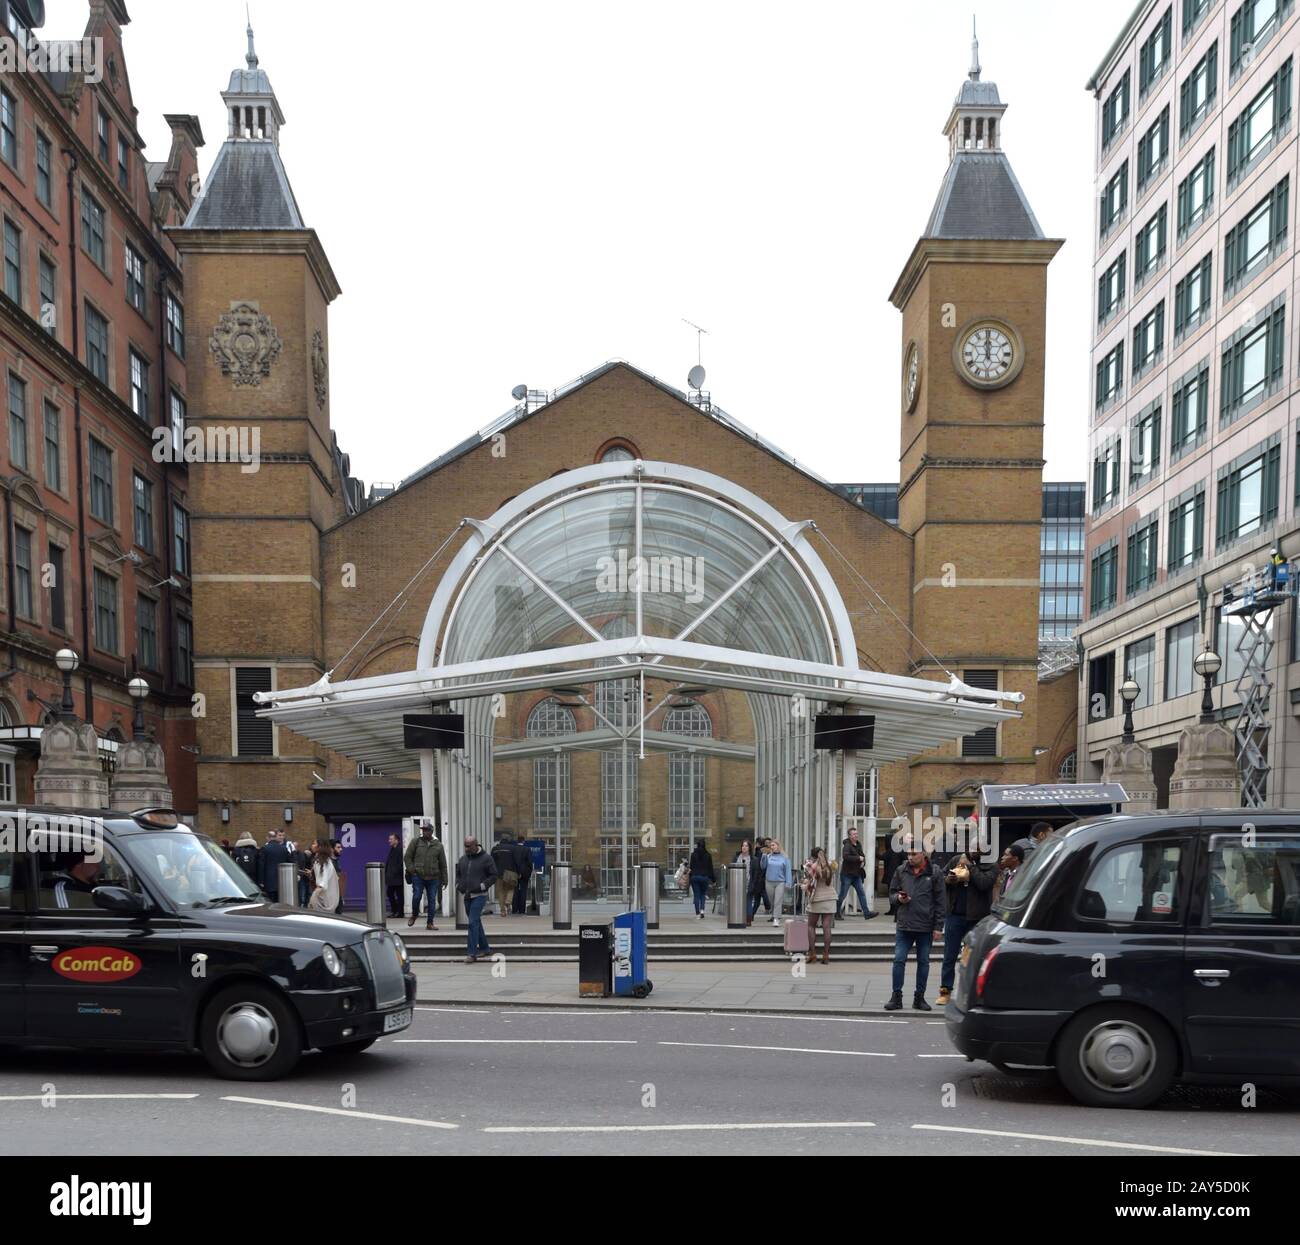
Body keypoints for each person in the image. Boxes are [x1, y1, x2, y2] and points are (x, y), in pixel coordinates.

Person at [936, 834, 997, 1006]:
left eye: (978, 849)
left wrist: (970, 870)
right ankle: (945, 991)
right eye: (971, 848)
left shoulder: (990, 865)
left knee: (973, 956)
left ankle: (970, 992)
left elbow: (985, 884)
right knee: (949, 954)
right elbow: (940, 878)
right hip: (955, 915)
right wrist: (949, 879)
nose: (973, 852)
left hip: (977, 918)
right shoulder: (957, 859)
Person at [885, 846, 945, 1011]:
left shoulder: (935, 872)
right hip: (905, 925)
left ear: (923, 854)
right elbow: (891, 894)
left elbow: (941, 901)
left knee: (924, 962)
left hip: (925, 926)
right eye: (908, 854)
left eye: (914, 854)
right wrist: (898, 898)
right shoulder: (901, 870)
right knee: (899, 960)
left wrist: (939, 926)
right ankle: (896, 997)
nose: (910, 857)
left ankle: (919, 998)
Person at [456, 835, 498, 963]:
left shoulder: (486, 858)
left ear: (476, 845)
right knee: (476, 923)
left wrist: (483, 885)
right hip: (467, 895)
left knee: (472, 922)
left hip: (480, 896)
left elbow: (494, 875)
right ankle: (485, 948)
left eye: (469, 846)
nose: (466, 849)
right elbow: (458, 874)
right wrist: (458, 885)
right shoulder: (463, 859)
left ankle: (471, 953)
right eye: (465, 846)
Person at [404, 821, 448, 929]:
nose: (424, 832)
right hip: (418, 876)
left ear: (431, 831)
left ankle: (430, 923)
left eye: (426, 830)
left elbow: (443, 864)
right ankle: (414, 915)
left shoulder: (438, 846)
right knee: (417, 896)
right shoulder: (416, 842)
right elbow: (407, 857)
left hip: (433, 878)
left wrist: (445, 879)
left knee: (432, 900)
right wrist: (412, 870)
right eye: (423, 830)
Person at [803, 846, 837, 964]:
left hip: (817, 898)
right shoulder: (831, 865)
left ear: (813, 856)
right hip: (831, 897)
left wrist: (805, 887)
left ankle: (812, 954)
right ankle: (826, 955)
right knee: (826, 927)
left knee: (811, 926)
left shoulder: (811, 866)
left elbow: (809, 882)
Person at [835, 827, 876, 920]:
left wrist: (863, 862)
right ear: (849, 836)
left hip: (856, 874)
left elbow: (862, 856)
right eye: (854, 834)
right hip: (847, 875)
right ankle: (836, 913)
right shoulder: (847, 846)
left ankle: (867, 913)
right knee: (842, 895)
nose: (856, 835)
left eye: (856, 834)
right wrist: (858, 858)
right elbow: (845, 857)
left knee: (861, 893)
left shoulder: (858, 844)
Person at [763, 839, 793, 925]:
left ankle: (776, 918)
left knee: (778, 901)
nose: (772, 847)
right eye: (771, 845)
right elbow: (763, 866)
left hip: (780, 882)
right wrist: (764, 856)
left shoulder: (785, 858)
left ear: (778, 846)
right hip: (769, 881)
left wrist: (788, 883)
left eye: (773, 845)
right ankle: (774, 914)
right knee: (772, 900)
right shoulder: (768, 856)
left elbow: (788, 871)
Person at [491, 833, 519, 917]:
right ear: (509, 840)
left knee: (500, 891)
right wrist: (518, 872)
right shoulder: (513, 848)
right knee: (510, 888)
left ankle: (502, 911)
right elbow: (516, 861)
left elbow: (491, 861)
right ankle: (508, 901)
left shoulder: (495, 849)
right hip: (510, 872)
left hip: (498, 873)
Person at [307, 841, 340, 912]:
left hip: (323, 900)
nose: (312, 845)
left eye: (314, 843)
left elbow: (323, 883)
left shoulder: (322, 862)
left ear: (320, 847)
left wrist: (313, 898)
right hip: (328, 898)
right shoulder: (325, 860)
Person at [688, 838, 714, 919]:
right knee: (703, 894)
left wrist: (690, 879)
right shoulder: (708, 855)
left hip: (695, 877)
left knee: (696, 895)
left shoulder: (693, 855)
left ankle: (697, 914)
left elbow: (691, 867)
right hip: (704, 877)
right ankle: (702, 910)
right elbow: (710, 868)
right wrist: (713, 879)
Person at [746, 837, 770, 925]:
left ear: (757, 843)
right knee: (758, 898)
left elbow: (759, 865)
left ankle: (752, 915)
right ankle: (752, 914)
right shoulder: (762, 851)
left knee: (758, 898)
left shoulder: (758, 852)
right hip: (760, 878)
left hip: (758, 878)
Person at [384, 832, 405, 918]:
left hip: (397, 878)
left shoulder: (400, 849)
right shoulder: (393, 849)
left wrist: (394, 873)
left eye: (391, 839)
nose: (389, 841)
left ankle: (399, 912)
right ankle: (395, 910)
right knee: (390, 893)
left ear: (396, 840)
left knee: (398, 895)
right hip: (392, 877)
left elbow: (400, 864)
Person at [512, 837, 534, 914]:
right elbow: (529, 863)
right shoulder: (527, 850)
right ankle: (522, 910)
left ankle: (514, 909)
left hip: (514, 874)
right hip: (524, 874)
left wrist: (516, 872)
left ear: (517, 841)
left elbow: (511, 862)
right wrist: (527, 873)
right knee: (523, 891)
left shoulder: (513, 849)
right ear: (523, 841)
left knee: (515, 891)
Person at [331, 840, 346, 914]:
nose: (341, 849)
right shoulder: (328, 862)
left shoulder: (337, 861)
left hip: (338, 893)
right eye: (338, 847)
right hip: (330, 894)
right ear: (331, 849)